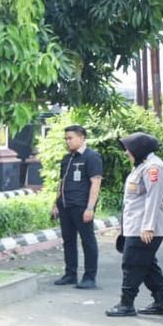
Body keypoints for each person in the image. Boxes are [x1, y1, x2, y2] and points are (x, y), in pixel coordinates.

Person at [106, 133, 163, 317]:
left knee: (132, 265)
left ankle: (126, 304)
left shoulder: (154, 168)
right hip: (135, 226)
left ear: (139, 148)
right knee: (147, 265)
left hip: (145, 229)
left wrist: (148, 227)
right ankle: (162, 303)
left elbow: (154, 198)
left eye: (129, 148)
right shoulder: (142, 166)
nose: (127, 152)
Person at [51, 124, 103, 289]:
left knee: (87, 240)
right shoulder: (67, 158)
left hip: (81, 206)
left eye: (70, 138)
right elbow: (61, 183)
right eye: (66, 138)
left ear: (82, 138)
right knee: (68, 240)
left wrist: (90, 207)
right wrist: (55, 204)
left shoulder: (91, 157)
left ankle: (89, 277)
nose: (68, 141)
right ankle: (70, 274)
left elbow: (96, 183)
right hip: (65, 205)